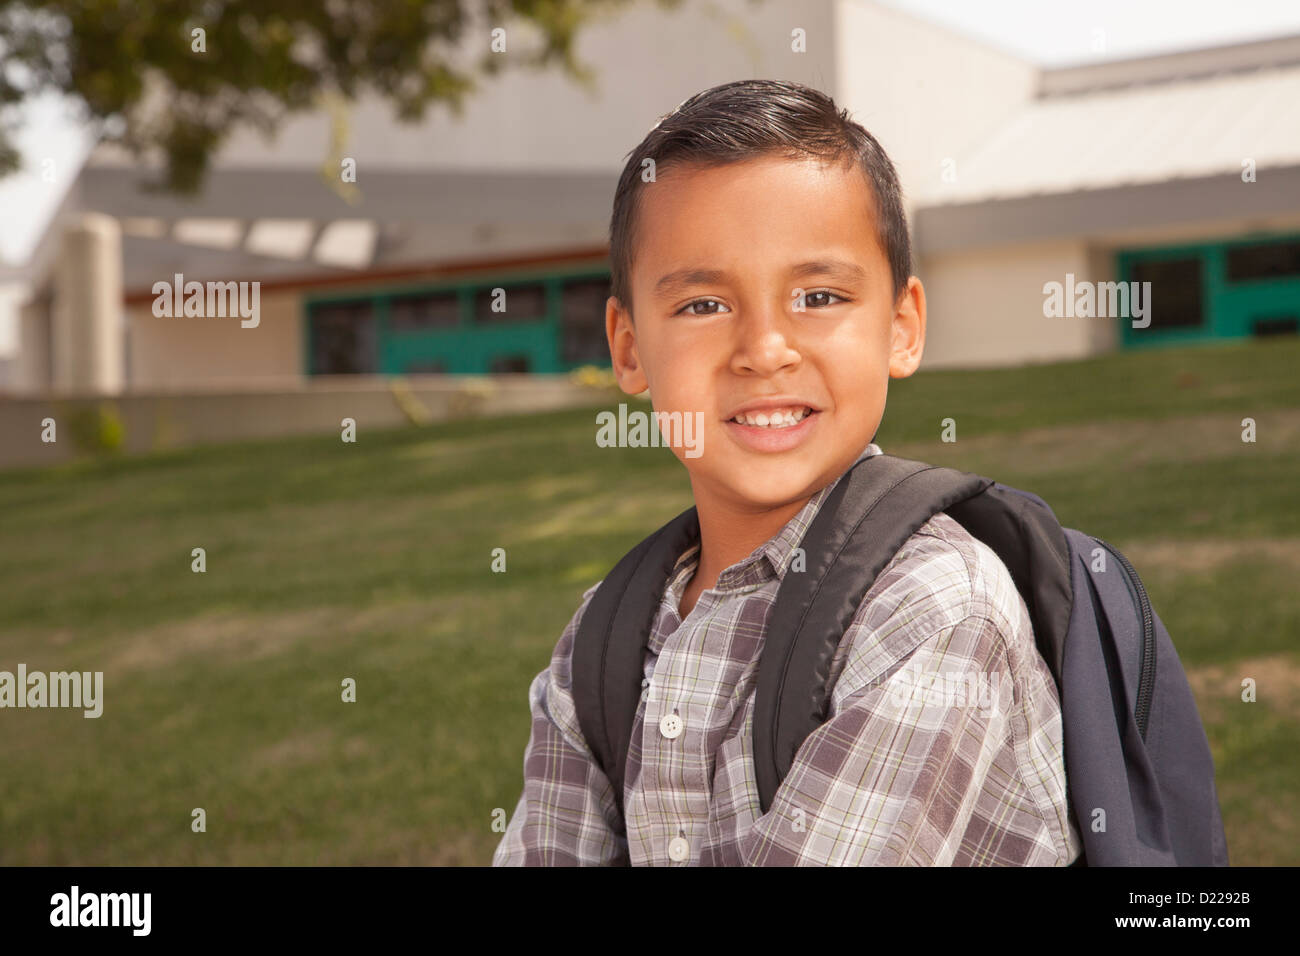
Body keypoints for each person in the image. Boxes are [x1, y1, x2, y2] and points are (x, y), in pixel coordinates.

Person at [493, 78, 1082, 866]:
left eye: (818, 295)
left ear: (902, 328)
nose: (765, 348)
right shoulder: (601, 640)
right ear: (629, 349)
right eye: (703, 305)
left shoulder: (933, 609)